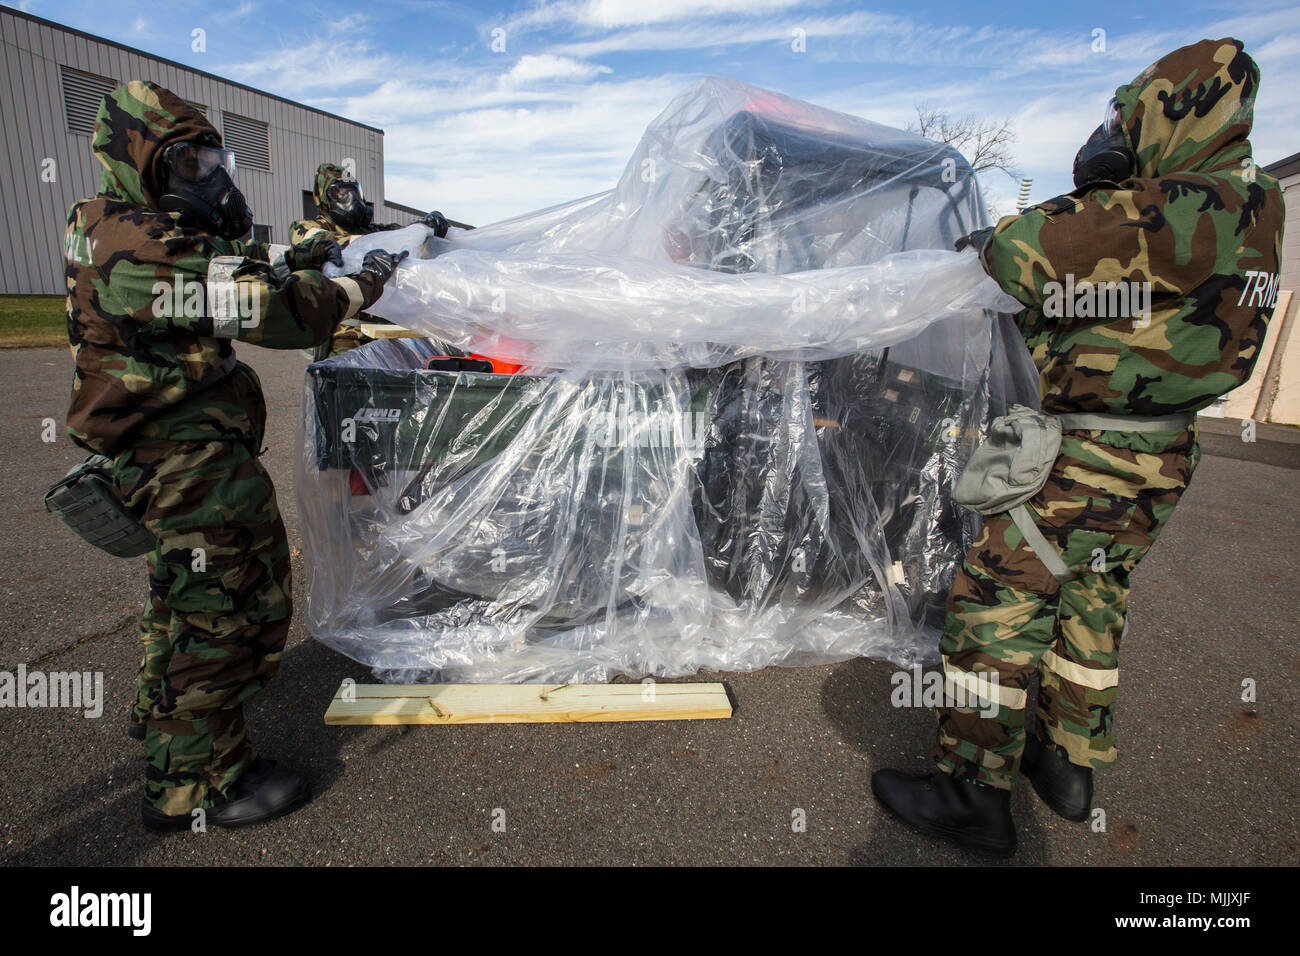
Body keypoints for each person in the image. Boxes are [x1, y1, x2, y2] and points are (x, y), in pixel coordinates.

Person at [871, 38, 1285, 857]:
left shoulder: (1194, 203)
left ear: (1176, 110)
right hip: (1163, 456)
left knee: (997, 602)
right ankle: (1067, 763)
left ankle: (969, 793)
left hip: (1088, 457)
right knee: (1093, 600)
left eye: (1133, 116)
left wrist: (989, 243)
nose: (1119, 132)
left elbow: (1026, 252)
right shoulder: (1261, 204)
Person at [64, 80, 406, 831]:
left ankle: (173, 743)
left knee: (184, 610)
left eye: (211, 163)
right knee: (223, 611)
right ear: (141, 161)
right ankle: (198, 786)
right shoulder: (138, 248)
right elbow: (276, 310)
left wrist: (308, 248)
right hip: (186, 466)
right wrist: (362, 283)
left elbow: (235, 257)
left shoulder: (118, 226)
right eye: (189, 165)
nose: (209, 180)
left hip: (181, 459)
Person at [289, 162, 449, 357]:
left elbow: (407, 237)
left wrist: (425, 226)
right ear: (323, 198)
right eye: (341, 194)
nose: (351, 200)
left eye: (354, 193)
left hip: (385, 330)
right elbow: (323, 243)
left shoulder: (374, 231)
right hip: (345, 332)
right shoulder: (308, 228)